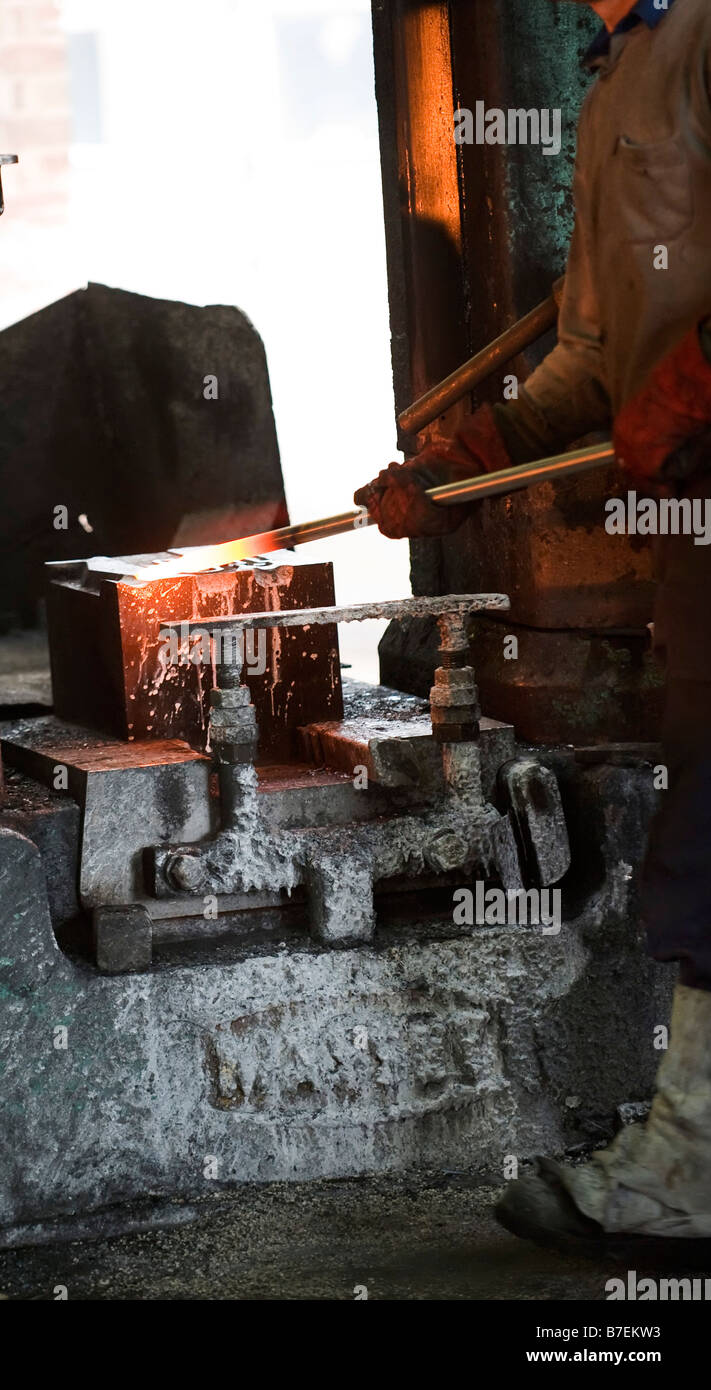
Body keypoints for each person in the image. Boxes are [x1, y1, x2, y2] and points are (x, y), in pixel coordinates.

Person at [356, 0, 711, 1253]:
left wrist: (695, 373)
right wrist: (472, 453)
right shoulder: (617, 77)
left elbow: (671, 364)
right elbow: (592, 359)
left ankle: (686, 1177)